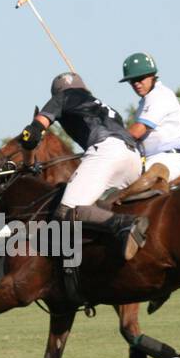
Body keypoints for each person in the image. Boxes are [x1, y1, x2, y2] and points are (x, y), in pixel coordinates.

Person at [19, 72, 149, 259]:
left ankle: (125, 223)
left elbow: (30, 135)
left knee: (66, 214)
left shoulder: (62, 97)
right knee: (100, 209)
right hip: (133, 158)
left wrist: (28, 163)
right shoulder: (108, 108)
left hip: (106, 152)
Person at [119, 52, 180, 197]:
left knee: (123, 194)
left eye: (140, 78)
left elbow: (137, 131)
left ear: (152, 75)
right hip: (150, 159)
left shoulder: (159, 95)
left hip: (167, 159)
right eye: (132, 81)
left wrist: (110, 136)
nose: (136, 83)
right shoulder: (146, 100)